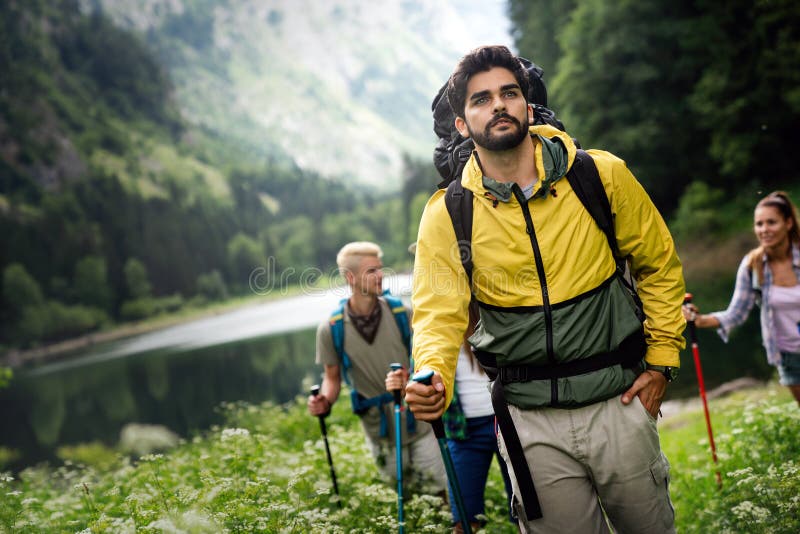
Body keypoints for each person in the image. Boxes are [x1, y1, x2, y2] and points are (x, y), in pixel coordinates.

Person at [404, 46, 686, 533]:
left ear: (527, 107)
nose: (498, 105)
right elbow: (437, 313)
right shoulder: (447, 213)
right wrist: (432, 373)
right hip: (527, 418)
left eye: (509, 93)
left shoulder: (599, 174)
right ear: (462, 125)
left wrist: (662, 361)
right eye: (481, 99)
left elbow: (658, 265)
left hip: (618, 399)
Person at [389, 248, 515, 533]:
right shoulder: (431, 317)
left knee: (526, 514)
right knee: (463, 521)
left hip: (509, 421)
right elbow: (423, 368)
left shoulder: (494, 300)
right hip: (463, 430)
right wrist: (404, 381)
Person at [308, 241, 446, 494]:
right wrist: (324, 402)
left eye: (380, 269)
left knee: (441, 496)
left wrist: (413, 374)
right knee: (404, 499)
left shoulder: (401, 313)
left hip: (420, 423)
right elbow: (332, 378)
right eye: (372, 271)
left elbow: (429, 355)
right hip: (380, 433)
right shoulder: (331, 329)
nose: (381, 276)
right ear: (350, 277)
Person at [683, 191, 800, 404]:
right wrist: (698, 320)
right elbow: (735, 314)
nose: (764, 230)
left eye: (771, 222)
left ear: (788, 223)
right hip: (790, 356)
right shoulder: (753, 265)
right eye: (759, 224)